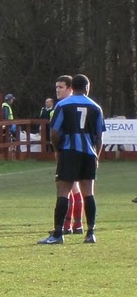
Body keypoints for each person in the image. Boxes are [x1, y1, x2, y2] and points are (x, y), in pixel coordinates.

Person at [39, 73, 105, 245]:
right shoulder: (96, 107)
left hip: (69, 152)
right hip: (88, 154)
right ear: (87, 87)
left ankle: (58, 234)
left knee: (63, 191)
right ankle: (90, 233)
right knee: (88, 192)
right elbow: (99, 137)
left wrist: (57, 150)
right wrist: (96, 156)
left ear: (72, 87)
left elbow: (54, 132)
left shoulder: (63, 105)